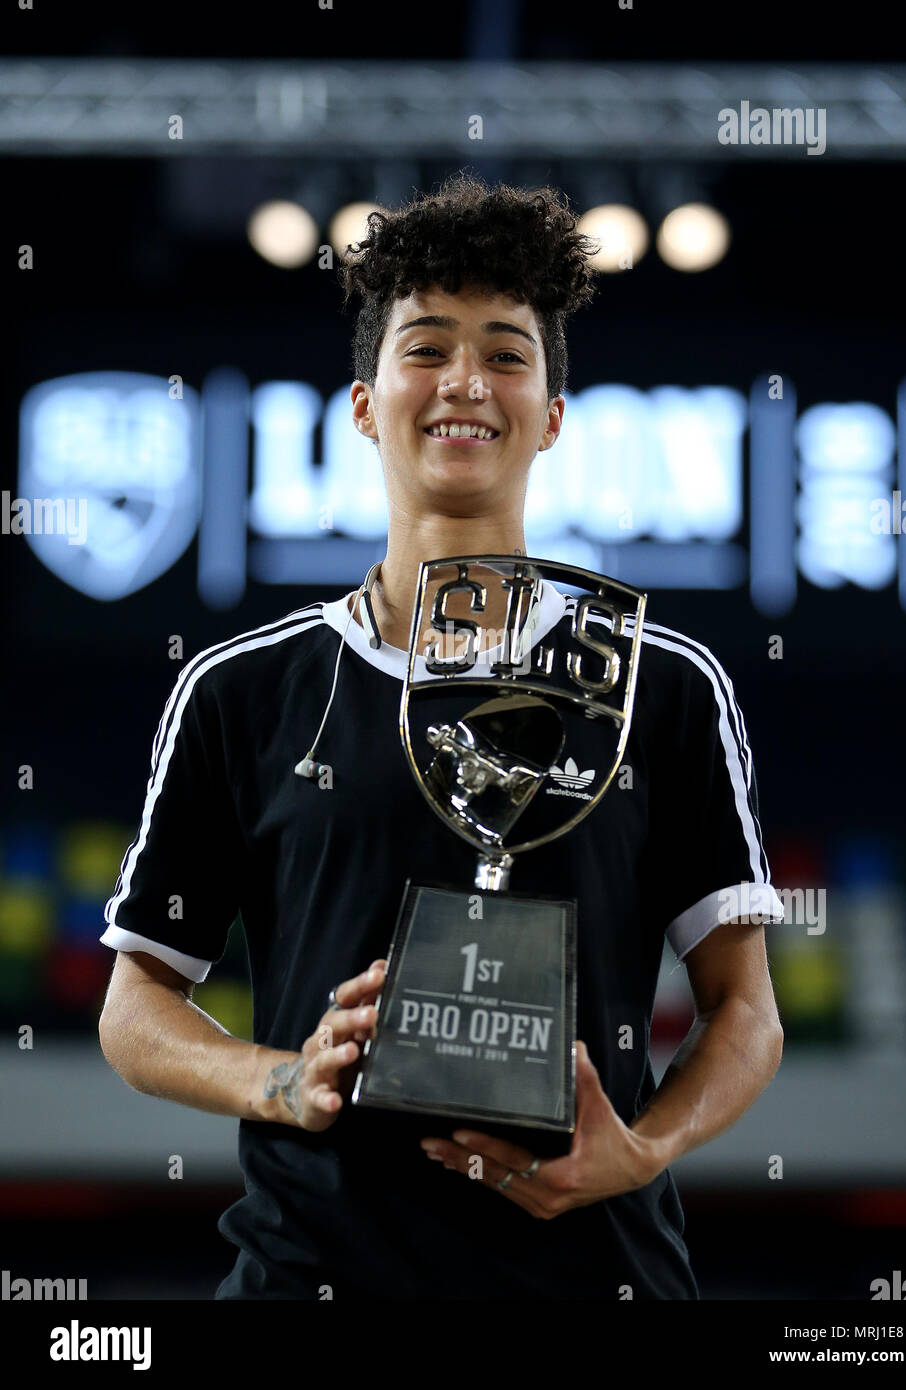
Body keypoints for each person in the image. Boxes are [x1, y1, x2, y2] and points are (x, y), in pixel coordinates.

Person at [98, 172, 785, 1300]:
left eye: (508, 354)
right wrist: (285, 1079)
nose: (466, 381)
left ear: (552, 416)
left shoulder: (662, 684)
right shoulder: (245, 689)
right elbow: (136, 1010)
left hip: (596, 1277)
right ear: (365, 404)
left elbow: (746, 1010)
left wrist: (645, 1146)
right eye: (427, 346)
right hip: (310, 1273)